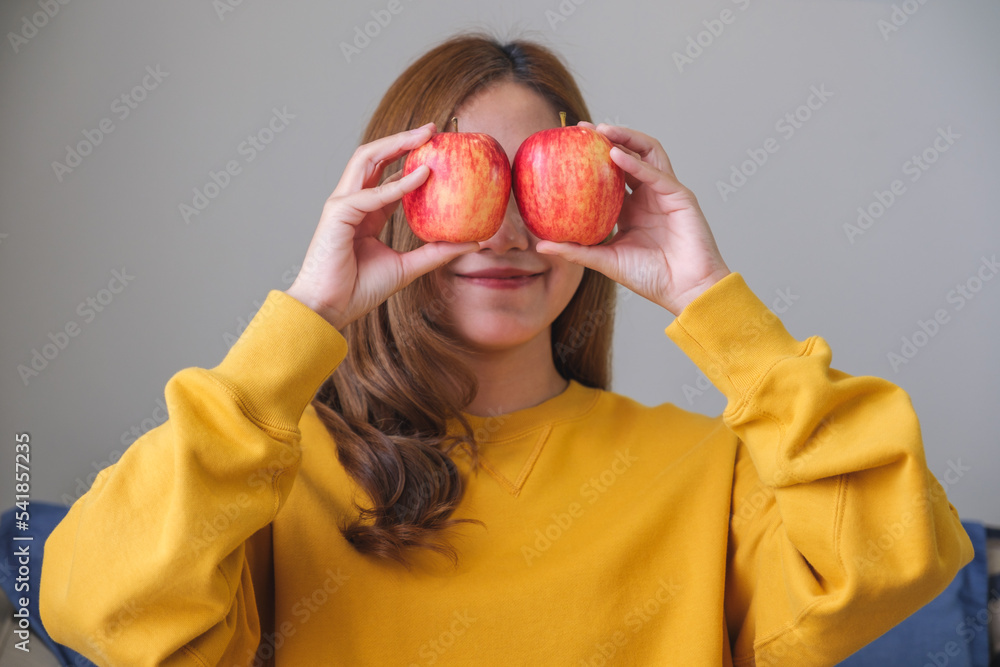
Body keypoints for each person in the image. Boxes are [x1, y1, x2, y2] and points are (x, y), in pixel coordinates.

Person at [39, 32, 972, 666]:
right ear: (391, 205)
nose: (507, 236)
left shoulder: (707, 469)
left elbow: (899, 553)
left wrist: (709, 300)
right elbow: (102, 603)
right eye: (472, 184)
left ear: (606, 205)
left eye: (542, 186)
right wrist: (305, 318)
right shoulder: (279, 473)